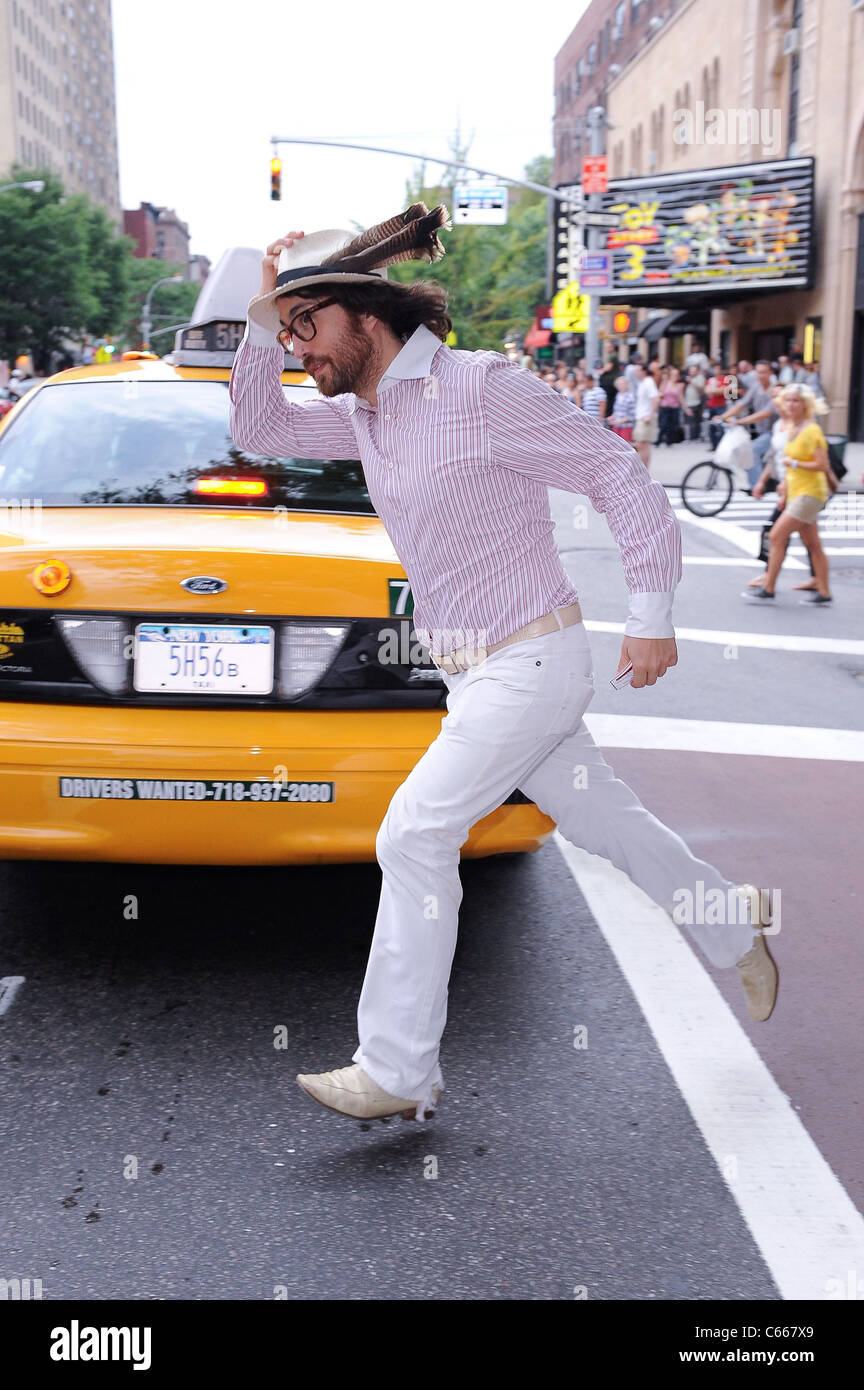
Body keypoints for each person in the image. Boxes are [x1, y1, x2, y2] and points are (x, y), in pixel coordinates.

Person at [229, 209, 779, 1125]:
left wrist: (651, 613)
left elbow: (614, 470)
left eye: (307, 327)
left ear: (367, 314)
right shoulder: (365, 415)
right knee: (609, 822)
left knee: (413, 833)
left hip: (533, 658)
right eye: (287, 334)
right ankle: (731, 925)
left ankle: (399, 1070)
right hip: (473, 671)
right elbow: (262, 427)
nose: (299, 352)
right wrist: (259, 319)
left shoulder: (481, 388)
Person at [743, 384, 834, 605]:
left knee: (776, 536)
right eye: (789, 400)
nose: (791, 404)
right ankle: (823, 592)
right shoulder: (793, 427)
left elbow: (822, 464)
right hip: (797, 492)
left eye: (796, 401)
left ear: (806, 404)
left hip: (810, 493)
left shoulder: (811, 430)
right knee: (812, 543)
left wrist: (793, 462)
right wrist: (785, 488)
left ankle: (769, 587)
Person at [722, 358, 778, 488]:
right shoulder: (756, 387)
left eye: (764, 372)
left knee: (752, 452)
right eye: (758, 372)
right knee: (744, 451)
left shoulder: (775, 390)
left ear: (771, 373)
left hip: (774, 432)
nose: (761, 375)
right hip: (761, 432)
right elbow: (742, 404)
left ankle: (757, 486)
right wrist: (723, 416)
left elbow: (765, 413)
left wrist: (740, 421)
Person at [632, 360, 660, 469]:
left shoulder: (648, 382)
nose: (635, 372)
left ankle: (645, 469)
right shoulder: (642, 383)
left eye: (637, 370)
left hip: (646, 417)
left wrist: (650, 415)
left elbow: (656, 399)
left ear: (644, 371)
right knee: (640, 444)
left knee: (643, 444)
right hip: (641, 417)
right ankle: (642, 469)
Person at [657, 365, 685, 446]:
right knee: (663, 424)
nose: (675, 376)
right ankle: (659, 439)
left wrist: (686, 408)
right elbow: (660, 393)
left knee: (672, 425)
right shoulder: (665, 383)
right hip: (665, 406)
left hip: (674, 407)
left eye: (677, 375)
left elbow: (681, 397)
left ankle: (669, 441)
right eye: (673, 374)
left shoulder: (680, 385)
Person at [609, 374, 637, 441]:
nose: (621, 386)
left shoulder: (630, 397)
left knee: (625, 444)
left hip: (626, 426)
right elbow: (617, 410)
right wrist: (612, 417)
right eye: (619, 385)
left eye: (623, 384)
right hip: (616, 425)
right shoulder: (618, 396)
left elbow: (632, 414)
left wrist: (620, 421)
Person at [683, 364, 706, 440]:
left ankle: (696, 437)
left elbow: (701, 389)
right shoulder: (687, 379)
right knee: (689, 421)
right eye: (690, 371)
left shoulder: (700, 377)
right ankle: (691, 436)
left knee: (695, 421)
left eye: (693, 371)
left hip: (696, 402)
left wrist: (691, 381)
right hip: (688, 403)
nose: (692, 372)